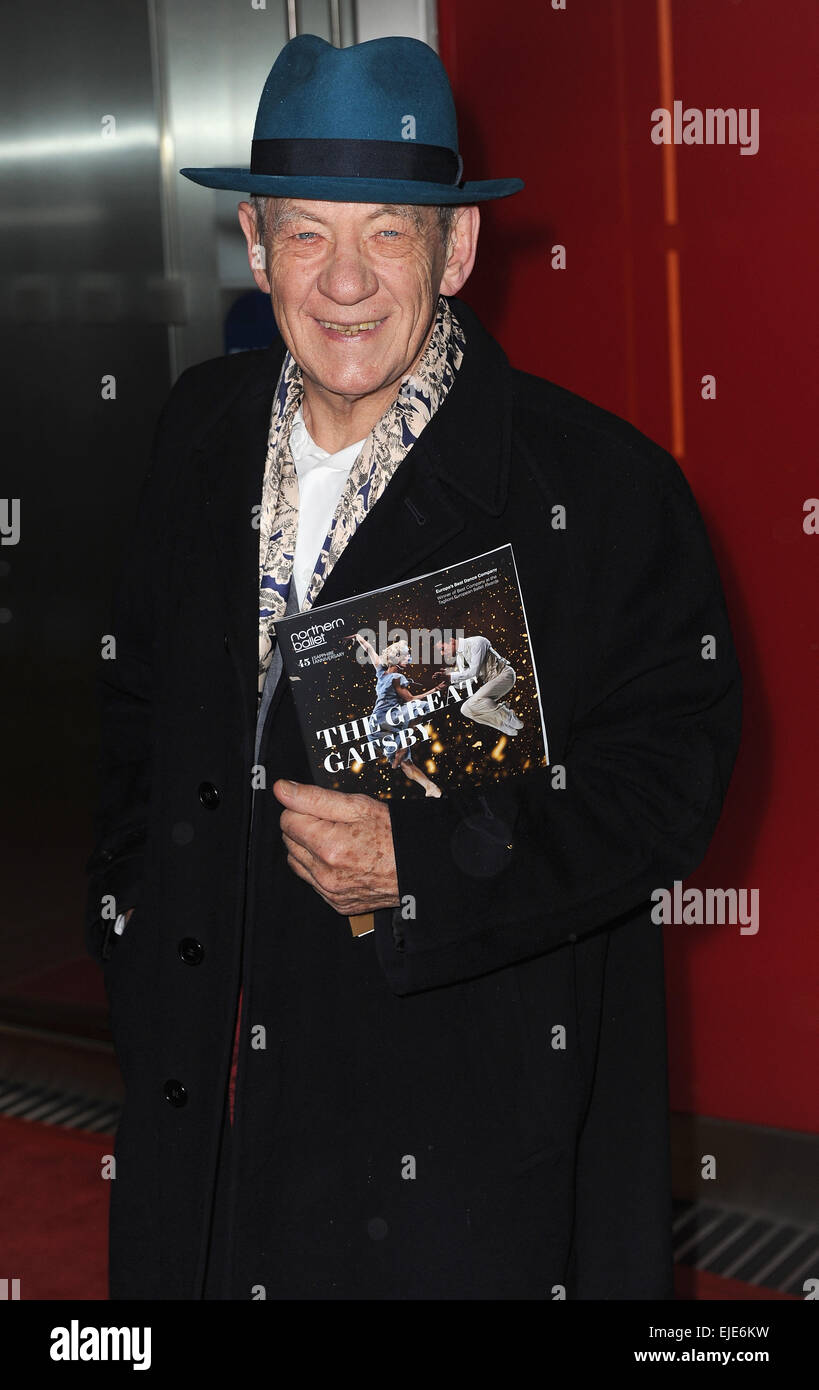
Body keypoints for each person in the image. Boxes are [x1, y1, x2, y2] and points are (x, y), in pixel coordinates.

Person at [86, 34, 742, 1300]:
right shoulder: (197, 431)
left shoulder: (597, 494)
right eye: (307, 232)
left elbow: (671, 788)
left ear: (456, 252)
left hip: (453, 1139)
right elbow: (135, 715)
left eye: (387, 232)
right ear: (255, 243)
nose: (344, 282)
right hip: (208, 1110)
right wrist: (135, 940)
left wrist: (430, 866)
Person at [348, 632, 444, 796]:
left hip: (376, 724)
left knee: (405, 763)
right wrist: (435, 689)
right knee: (420, 706)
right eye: (407, 656)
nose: (409, 659)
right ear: (397, 659)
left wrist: (358, 637)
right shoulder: (397, 677)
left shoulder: (380, 672)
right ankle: (405, 742)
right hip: (390, 718)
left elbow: (369, 649)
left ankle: (430, 787)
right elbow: (410, 699)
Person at [435, 632, 523, 738]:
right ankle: (501, 724)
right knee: (465, 710)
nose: (442, 653)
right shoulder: (459, 658)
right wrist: (450, 683)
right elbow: (468, 681)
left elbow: (473, 672)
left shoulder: (477, 642)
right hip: (492, 683)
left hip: (505, 675)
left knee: (473, 703)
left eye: (443, 649)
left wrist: (450, 677)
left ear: (451, 640)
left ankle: (507, 715)